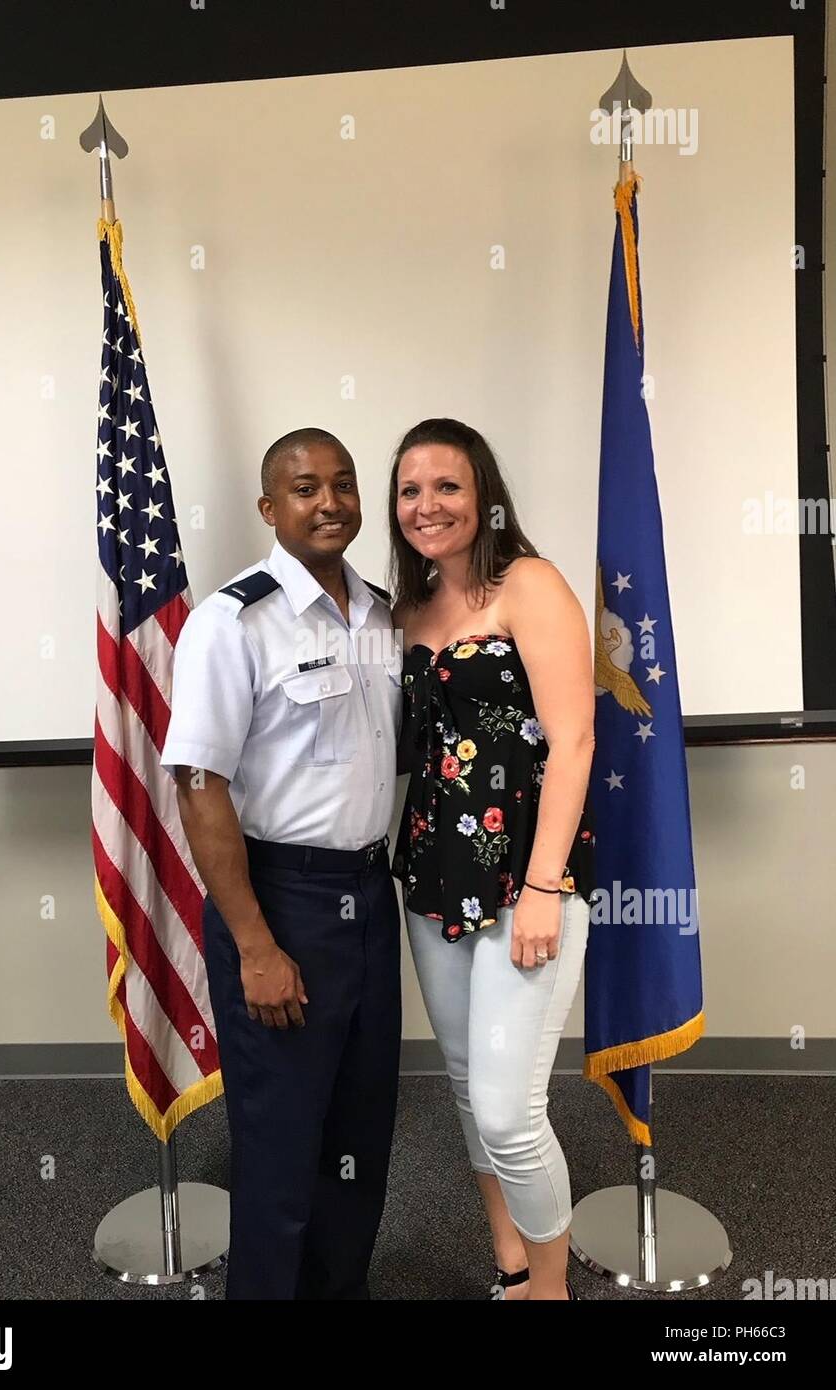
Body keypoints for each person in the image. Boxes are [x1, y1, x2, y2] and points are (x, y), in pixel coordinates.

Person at [161, 427, 403, 1300]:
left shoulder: (380, 613)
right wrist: (255, 946)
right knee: (281, 1143)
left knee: (359, 1134)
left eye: (342, 484)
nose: (329, 501)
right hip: (280, 901)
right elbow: (199, 787)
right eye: (305, 488)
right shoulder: (233, 622)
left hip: (369, 898)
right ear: (270, 508)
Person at [389, 417, 596, 1302]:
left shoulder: (529, 584)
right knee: (473, 1094)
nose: (426, 505)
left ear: (483, 495)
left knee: (513, 1114)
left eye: (446, 486)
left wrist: (545, 886)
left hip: (525, 878)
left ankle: (548, 1289)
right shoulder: (403, 610)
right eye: (409, 490)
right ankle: (509, 1260)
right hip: (431, 877)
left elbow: (575, 739)